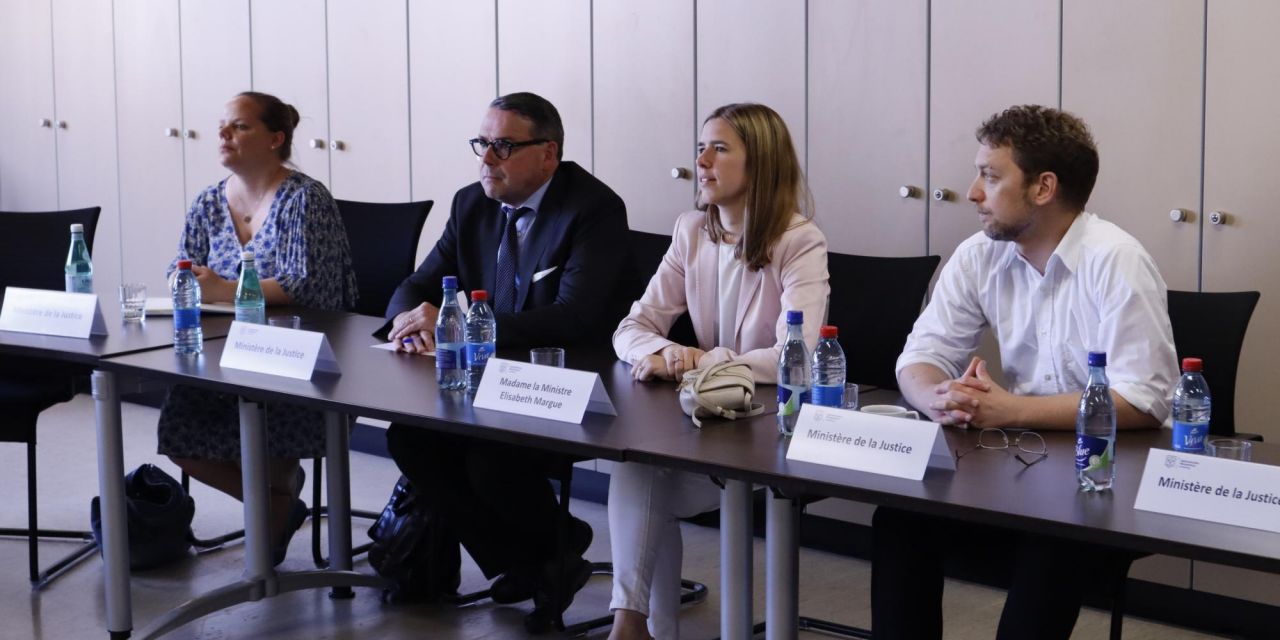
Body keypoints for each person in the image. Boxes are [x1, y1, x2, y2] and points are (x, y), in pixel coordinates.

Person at [874, 105, 1179, 639]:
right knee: (902, 519)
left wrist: (1009, 410)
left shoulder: (1116, 261)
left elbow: (1142, 402)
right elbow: (920, 356)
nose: (973, 193)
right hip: (1021, 465)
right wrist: (938, 397)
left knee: (1052, 543)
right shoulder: (979, 255)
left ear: (1043, 188)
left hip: (1104, 477)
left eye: (990, 177)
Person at [382, 92, 632, 632]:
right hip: (484, 381)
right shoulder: (471, 204)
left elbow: (575, 317)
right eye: (482, 144)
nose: (487, 159)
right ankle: (541, 559)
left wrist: (464, 325)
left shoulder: (593, 209)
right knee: (410, 437)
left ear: (549, 154)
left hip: (562, 381)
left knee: (489, 458)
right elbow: (416, 285)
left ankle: (543, 556)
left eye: (503, 146)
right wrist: (408, 318)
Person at [608, 103, 830, 640]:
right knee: (637, 466)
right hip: (703, 420)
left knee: (645, 485)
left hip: (767, 429)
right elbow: (631, 327)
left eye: (720, 148)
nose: (702, 161)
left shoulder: (799, 240)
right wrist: (663, 353)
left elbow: (795, 356)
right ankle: (634, 625)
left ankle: (637, 628)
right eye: (700, 148)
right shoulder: (691, 231)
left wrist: (700, 360)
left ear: (762, 162)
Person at [158, 91, 357, 566]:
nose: (223, 134)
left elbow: (308, 284)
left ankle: (276, 502)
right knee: (177, 431)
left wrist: (225, 288)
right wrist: (187, 281)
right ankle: (277, 502)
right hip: (223, 357)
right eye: (223, 125)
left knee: (264, 425)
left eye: (240, 126)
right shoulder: (209, 201)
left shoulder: (305, 199)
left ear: (275, 139)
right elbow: (180, 267)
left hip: (299, 362)